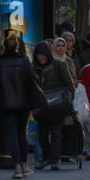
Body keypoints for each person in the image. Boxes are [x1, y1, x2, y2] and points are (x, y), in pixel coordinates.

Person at [0, 35, 44, 179]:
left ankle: (17, 167)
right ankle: (24, 165)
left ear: (3, 47)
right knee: (21, 134)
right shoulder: (24, 62)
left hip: (5, 104)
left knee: (12, 136)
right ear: (18, 47)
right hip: (23, 104)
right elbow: (32, 82)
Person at [32, 40, 75, 170]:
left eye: (43, 55)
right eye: (38, 56)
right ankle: (46, 157)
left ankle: (55, 159)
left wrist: (67, 101)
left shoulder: (59, 65)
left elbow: (70, 85)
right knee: (42, 134)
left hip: (57, 105)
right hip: (42, 105)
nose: (41, 58)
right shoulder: (33, 67)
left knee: (56, 133)